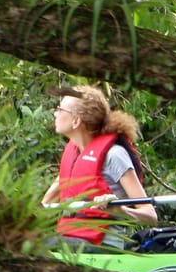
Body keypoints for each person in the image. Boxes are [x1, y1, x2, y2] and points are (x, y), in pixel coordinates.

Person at [41, 85, 158, 251]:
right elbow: (43, 206)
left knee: (34, 246)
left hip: (103, 244)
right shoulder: (73, 154)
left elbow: (150, 217)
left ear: (76, 121)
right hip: (69, 239)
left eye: (60, 109)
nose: (55, 113)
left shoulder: (114, 155)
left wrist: (120, 210)